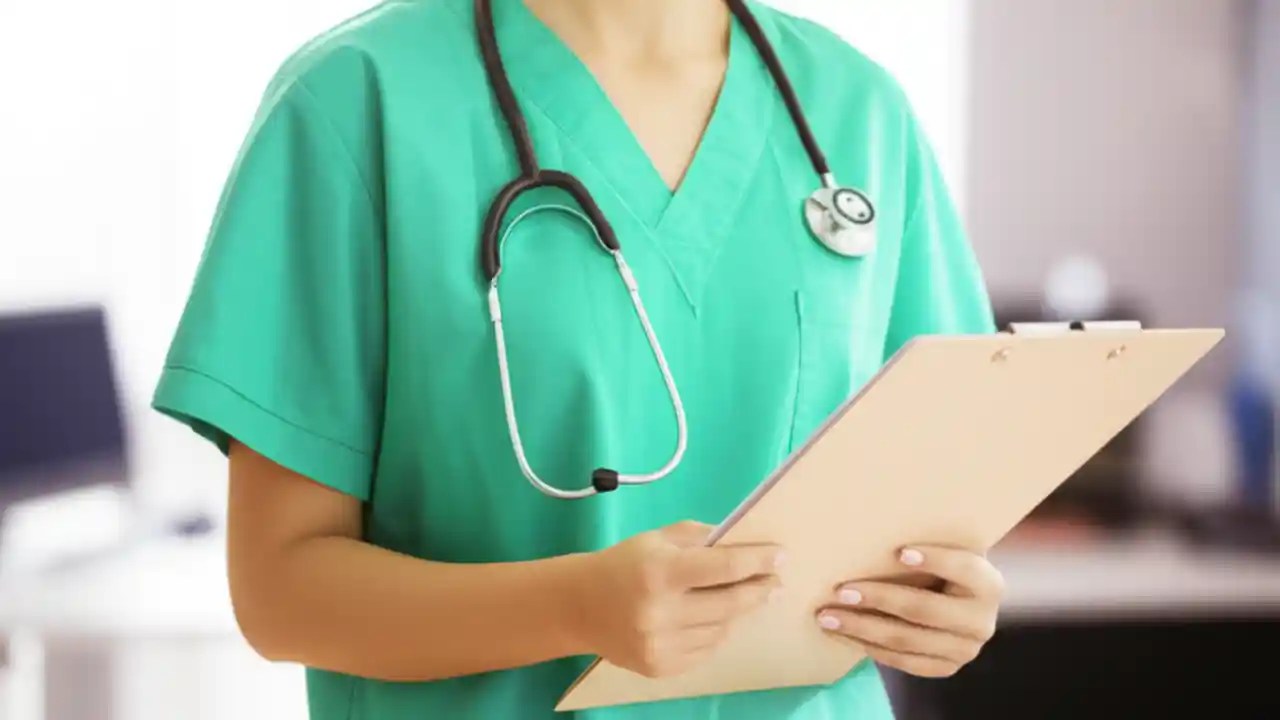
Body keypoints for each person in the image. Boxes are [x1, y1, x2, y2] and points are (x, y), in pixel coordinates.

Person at [152, 0, 1004, 717]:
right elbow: (281, 592)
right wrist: (573, 608)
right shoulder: (357, 99)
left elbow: (932, 495)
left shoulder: (857, 109)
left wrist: (943, 602)